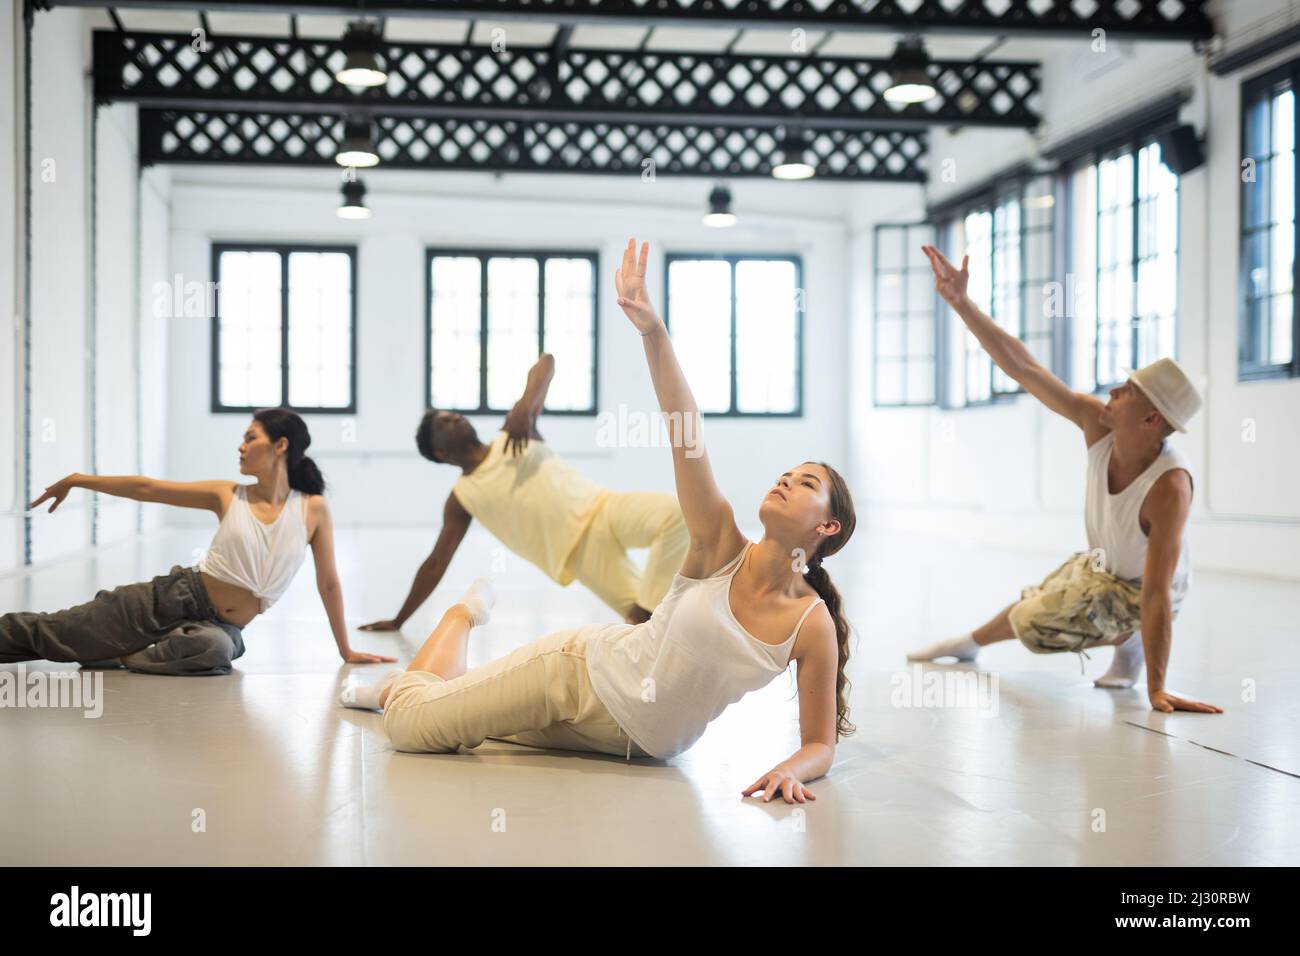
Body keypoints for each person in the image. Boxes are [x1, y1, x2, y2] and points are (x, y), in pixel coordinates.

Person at [341, 238, 855, 803]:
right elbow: (684, 428)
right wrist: (652, 331)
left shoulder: (813, 624)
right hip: (577, 673)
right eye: (787, 472)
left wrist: (792, 770)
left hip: (631, 741)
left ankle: (398, 687)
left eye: (806, 483)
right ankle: (462, 617)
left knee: (458, 710)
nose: (785, 480)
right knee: (412, 729)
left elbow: (820, 744)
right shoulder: (720, 543)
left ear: (827, 528)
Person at [906, 245, 1222, 715]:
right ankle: (969, 643)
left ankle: (1130, 640)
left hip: (1146, 591)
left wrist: (1157, 689)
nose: (1113, 390)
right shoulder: (1099, 423)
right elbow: (1026, 368)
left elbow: (1155, 591)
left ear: (1153, 419)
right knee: (1040, 598)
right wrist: (961, 303)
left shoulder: (1169, 487)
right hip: (1106, 564)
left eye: (1129, 390)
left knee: (1039, 620)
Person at [2, 408, 396, 675]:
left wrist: (345, 650)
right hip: (170, 600)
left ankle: (121, 653)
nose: (240, 446)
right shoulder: (228, 494)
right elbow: (148, 488)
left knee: (218, 651)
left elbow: (328, 582)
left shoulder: (313, 509)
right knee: (51, 634)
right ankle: (119, 648)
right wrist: (78, 479)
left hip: (219, 628)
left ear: (281, 445)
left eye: (250, 437)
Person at [360, 353, 689, 630]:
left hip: (605, 507)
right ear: (441, 453)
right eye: (444, 424)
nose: (455, 418)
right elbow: (436, 562)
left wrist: (523, 406)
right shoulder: (462, 498)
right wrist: (398, 620)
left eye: (453, 414)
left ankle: (657, 607)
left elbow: (547, 363)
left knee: (678, 515)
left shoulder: (515, 433)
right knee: (647, 624)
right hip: (578, 554)